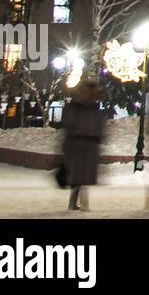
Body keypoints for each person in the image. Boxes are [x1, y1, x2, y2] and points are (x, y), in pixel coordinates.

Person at [61, 80, 104, 211]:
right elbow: (70, 125)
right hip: (78, 144)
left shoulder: (93, 107)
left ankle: (79, 202)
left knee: (83, 175)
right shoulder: (78, 106)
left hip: (88, 144)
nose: (96, 94)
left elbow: (99, 125)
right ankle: (76, 202)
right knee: (79, 174)